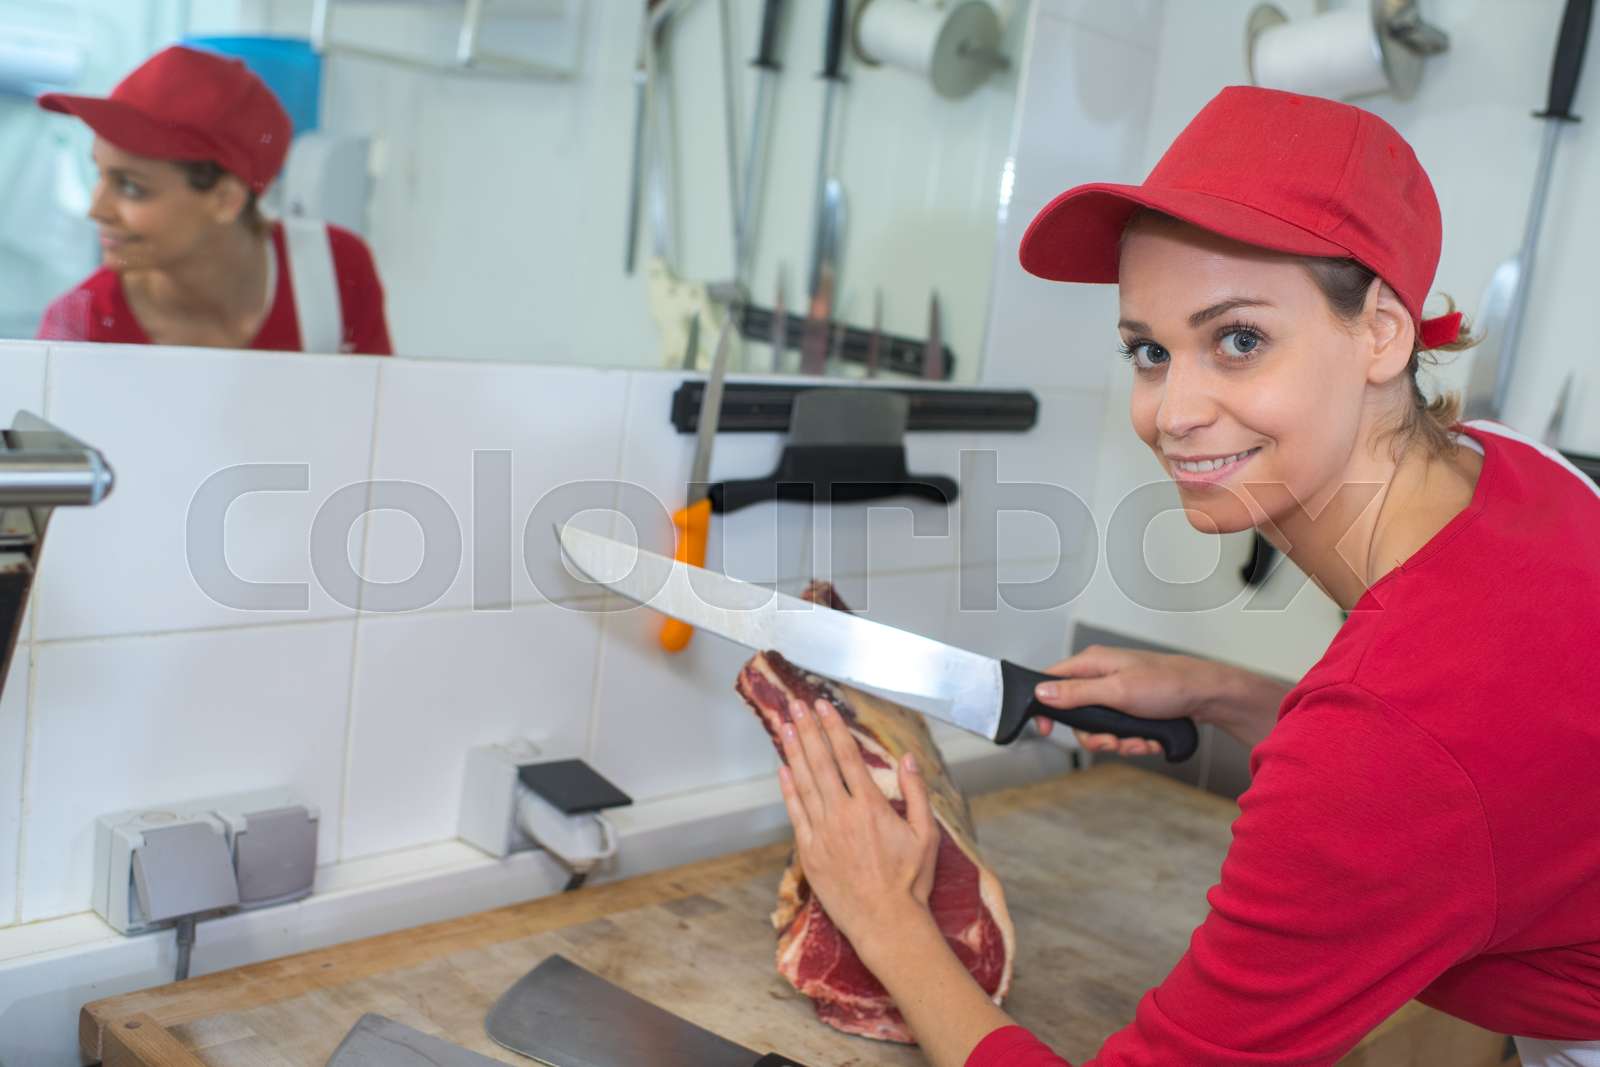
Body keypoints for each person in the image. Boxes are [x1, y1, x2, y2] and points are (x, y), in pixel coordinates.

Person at [772, 86, 1600, 1067]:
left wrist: (887, 922)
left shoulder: (1388, 739)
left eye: (1239, 340)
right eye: (1149, 351)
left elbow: (1414, 747)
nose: (1172, 410)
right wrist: (1232, 695)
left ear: (1382, 333)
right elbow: (1496, 758)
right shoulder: (1518, 471)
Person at [35, 45, 391, 355]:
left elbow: (381, 420)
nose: (96, 210)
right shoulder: (79, 328)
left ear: (225, 199)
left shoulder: (335, 272)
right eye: (100, 174)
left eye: (131, 187)